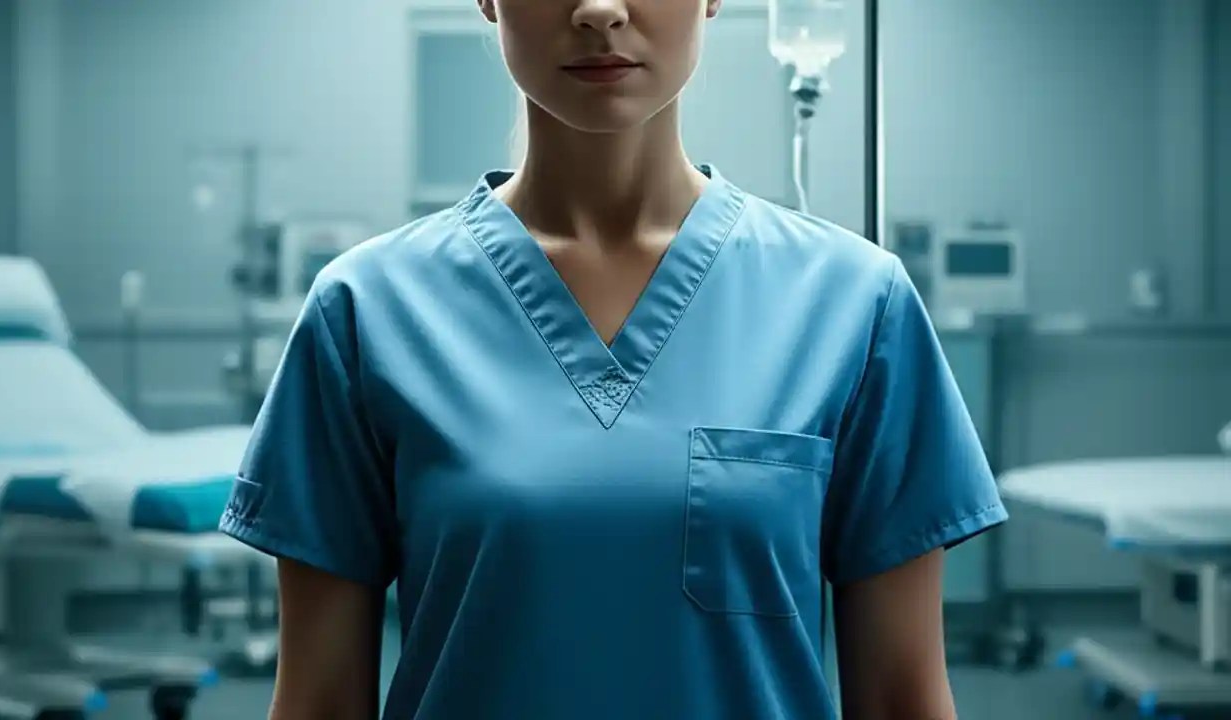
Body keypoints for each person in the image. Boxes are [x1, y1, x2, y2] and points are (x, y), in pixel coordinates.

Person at [218, 0, 1008, 717]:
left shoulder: (850, 303)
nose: (599, 10)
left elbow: (905, 696)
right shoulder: (368, 309)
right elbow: (318, 702)